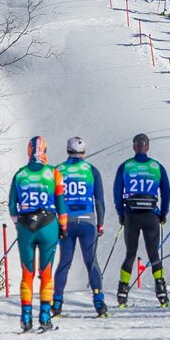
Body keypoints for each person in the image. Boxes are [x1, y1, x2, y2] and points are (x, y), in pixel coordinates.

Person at [8, 136, 68, 332]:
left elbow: (11, 205)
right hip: (48, 225)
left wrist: (19, 224)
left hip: (26, 226)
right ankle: (44, 316)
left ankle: (26, 317)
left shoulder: (19, 174)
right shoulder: (54, 173)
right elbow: (61, 203)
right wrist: (63, 226)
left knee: (27, 273)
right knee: (46, 273)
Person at [113, 133, 170, 308]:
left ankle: (122, 293)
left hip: (131, 214)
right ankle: (162, 294)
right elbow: (166, 193)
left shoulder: (126, 166)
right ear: (147, 147)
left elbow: (117, 193)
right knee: (154, 254)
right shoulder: (156, 166)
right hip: (151, 214)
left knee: (130, 254)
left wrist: (121, 214)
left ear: (134, 147)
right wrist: (163, 213)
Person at [53, 136, 108, 317]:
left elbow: (53, 198)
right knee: (91, 261)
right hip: (87, 220)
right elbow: (99, 201)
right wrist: (100, 223)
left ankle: (57, 303)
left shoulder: (58, 170)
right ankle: (99, 302)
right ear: (83, 151)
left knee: (64, 262)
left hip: (66, 222)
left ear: (68, 150)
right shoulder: (91, 170)